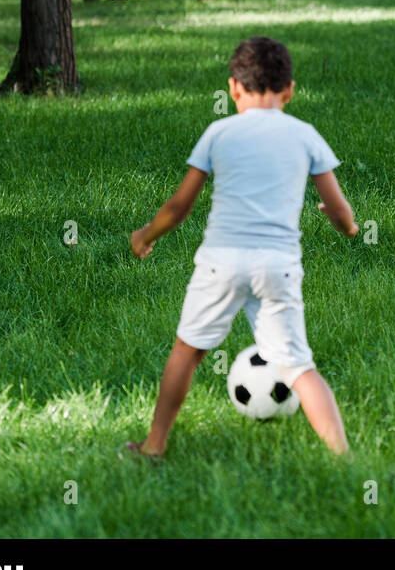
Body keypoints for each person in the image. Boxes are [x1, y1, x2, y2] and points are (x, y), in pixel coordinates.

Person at [125, 37, 356, 460]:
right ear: (289, 90)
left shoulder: (219, 132)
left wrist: (145, 235)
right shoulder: (305, 136)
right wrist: (349, 227)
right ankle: (344, 458)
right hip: (277, 266)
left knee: (187, 352)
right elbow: (338, 208)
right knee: (300, 368)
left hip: (221, 262)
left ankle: (154, 445)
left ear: (234, 88)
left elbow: (179, 207)